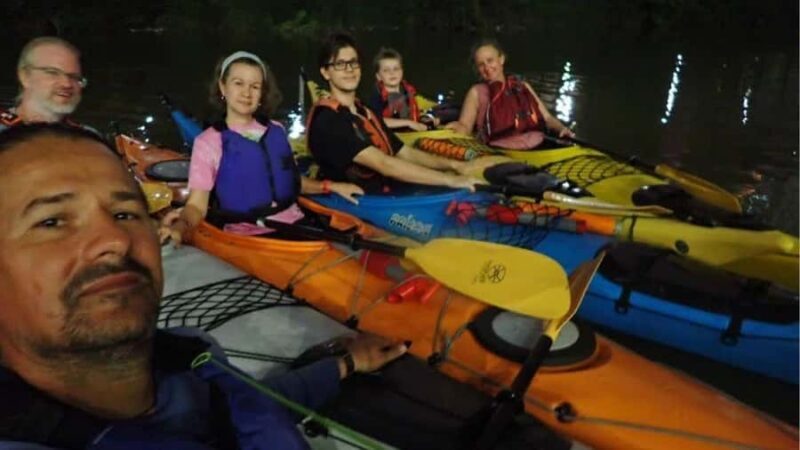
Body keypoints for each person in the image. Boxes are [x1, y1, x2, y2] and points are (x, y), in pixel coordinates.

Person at [0, 123, 406, 449]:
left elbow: (243, 406)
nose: (114, 239)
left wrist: (344, 364)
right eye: (51, 222)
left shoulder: (190, 357)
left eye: (125, 214)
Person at [165, 51, 364, 244]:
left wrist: (330, 186)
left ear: (262, 93)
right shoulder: (208, 142)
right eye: (238, 83)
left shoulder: (276, 129)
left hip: (297, 224)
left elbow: (292, 181)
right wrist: (180, 227)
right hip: (249, 236)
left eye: (255, 86)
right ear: (222, 88)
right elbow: (197, 206)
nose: (246, 93)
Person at [308, 32, 498, 194]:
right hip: (363, 203)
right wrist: (452, 181)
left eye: (353, 63)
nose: (349, 70)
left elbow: (403, 151)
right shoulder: (329, 120)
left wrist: (455, 166)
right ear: (326, 72)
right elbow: (385, 164)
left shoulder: (364, 111)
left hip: (386, 192)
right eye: (340, 64)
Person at [446, 39, 575, 150]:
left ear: (501, 59)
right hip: (500, 152)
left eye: (490, 60)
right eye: (481, 64)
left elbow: (547, 118)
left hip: (538, 146)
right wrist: (454, 128)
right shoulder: (476, 92)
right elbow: (465, 127)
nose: (487, 67)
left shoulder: (522, 86)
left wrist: (561, 128)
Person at [1, 36, 87, 131]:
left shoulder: (89, 139)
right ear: (25, 76)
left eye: (74, 77)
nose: (67, 84)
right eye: (53, 73)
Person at [367, 47, 434, 132]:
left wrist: (422, 121)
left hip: (412, 129)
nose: (392, 73)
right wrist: (408, 123)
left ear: (402, 71)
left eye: (396, 69)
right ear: (378, 76)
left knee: (451, 111)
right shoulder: (377, 95)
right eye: (386, 70)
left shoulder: (407, 89)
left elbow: (413, 113)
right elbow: (375, 120)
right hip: (392, 134)